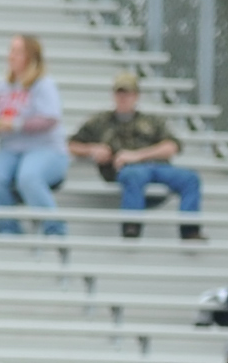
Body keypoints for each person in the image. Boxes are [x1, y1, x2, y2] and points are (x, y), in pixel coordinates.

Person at [70, 72, 202, 238]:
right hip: (126, 170)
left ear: (136, 96)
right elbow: (72, 145)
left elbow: (172, 146)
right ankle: (131, 227)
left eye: (128, 93)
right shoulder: (100, 122)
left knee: (190, 178)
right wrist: (93, 149)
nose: (124, 98)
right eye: (120, 93)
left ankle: (190, 230)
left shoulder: (152, 121)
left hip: (155, 166)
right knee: (133, 174)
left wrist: (137, 155)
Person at [0, 37, 69, 235]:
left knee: (29, 176)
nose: (10, 56)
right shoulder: (3, 86)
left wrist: (16, 124)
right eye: (10, 50)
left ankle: (55, 230)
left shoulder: (43, 85)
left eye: (16, 51)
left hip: (46, 149)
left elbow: (50, 119)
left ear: (30, 57)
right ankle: (8, 228)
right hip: (11, 149)